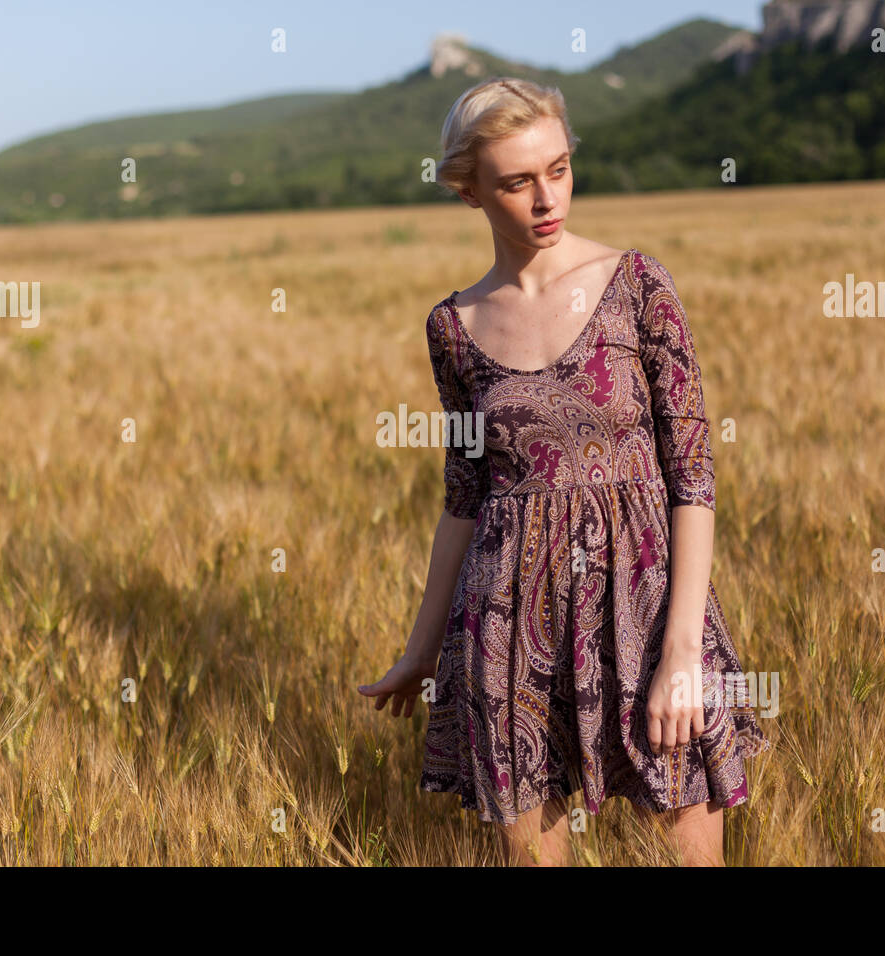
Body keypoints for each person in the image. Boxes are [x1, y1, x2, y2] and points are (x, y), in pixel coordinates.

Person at [358, 76, 771, 866]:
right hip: (508, 626)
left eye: (560, 168)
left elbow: (692, 474)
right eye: (517, 181)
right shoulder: (453, 326)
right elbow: (465, 498)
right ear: (469, 191)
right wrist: (419, 649)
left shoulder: (639, 284)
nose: (548, 198)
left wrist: (683, 652)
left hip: (650, 614)